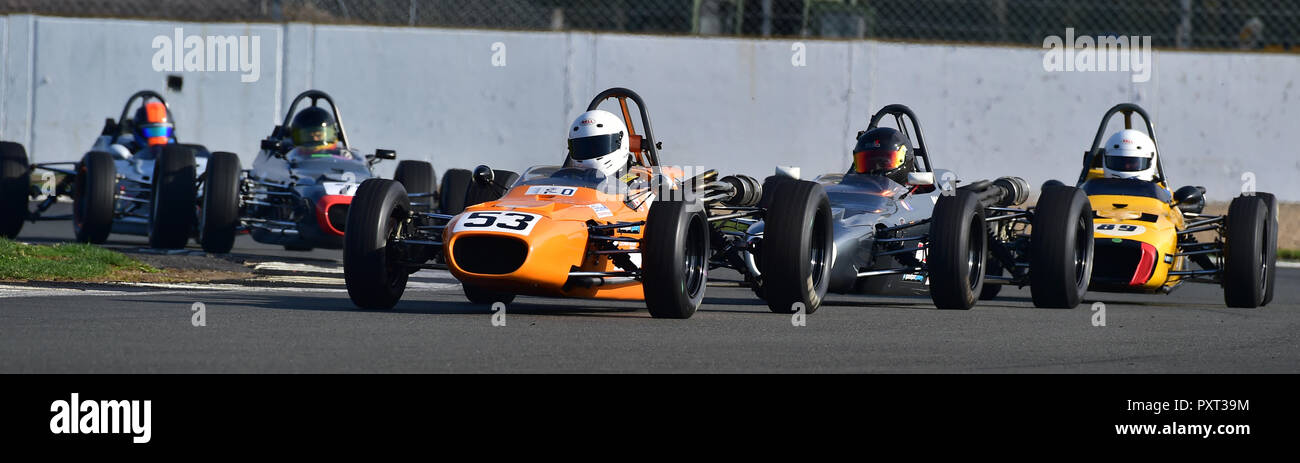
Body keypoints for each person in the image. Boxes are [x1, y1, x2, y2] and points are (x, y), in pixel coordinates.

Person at [286, 106, 353, 161]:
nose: (315, 139)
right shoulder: (289, 157)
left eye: (319, 135)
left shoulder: (342, 156)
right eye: (309, 136)